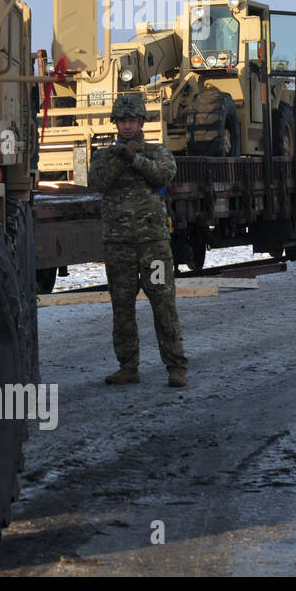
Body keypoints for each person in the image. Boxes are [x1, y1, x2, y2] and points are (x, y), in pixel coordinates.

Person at [88, 93, 189, 388]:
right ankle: (128, 366)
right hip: (119, 246)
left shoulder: (157, 153)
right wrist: (121, 159)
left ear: (142, 122)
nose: (127, 126)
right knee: (122, 308)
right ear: (116, 123)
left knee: (163, 305)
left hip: (153, 245)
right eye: (122, 121)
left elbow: (164, 177)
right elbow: (98, 182)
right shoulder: (104, 157)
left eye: (132, 120)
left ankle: (176, 367)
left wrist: (135, 158)